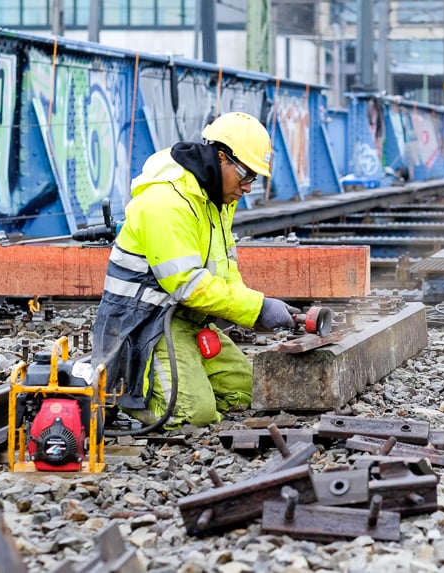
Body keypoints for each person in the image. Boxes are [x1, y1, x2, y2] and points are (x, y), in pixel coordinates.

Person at [92, 112, 298, 429]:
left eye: (254, 179)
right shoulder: (167, 201)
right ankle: (128, 398)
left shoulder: (215, 200)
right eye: (246, 175)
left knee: (251, 392)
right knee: (195, 413)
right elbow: (188, 285)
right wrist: (257, 308)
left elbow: (225, 274)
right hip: (143, 325)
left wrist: (262, 306)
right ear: (221, 158)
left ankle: (188, 379)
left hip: (185, 318)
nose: (247, 187)